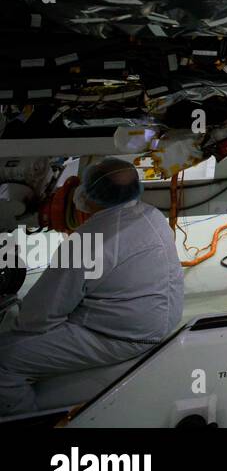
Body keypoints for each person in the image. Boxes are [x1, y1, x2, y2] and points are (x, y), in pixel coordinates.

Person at [0, 158, 183, 417]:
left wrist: (15, 324)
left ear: (90, 193)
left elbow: (40, 315)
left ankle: (25, 422)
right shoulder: (151, 215)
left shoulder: (88, 241)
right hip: (159, 320)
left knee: (5, 360)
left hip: (120, 335)